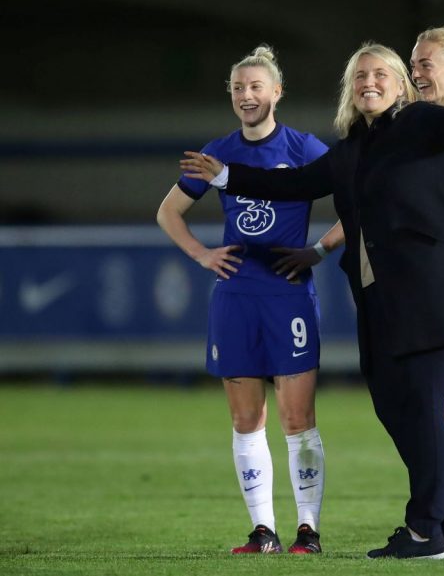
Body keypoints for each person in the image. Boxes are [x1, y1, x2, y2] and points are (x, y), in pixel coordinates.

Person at [181, 40, 444, 560]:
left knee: (425, 413)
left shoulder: (419, 124)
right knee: (399, 410)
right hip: (384, 304)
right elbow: (297, 183)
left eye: (380, 75)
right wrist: (227, 176)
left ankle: (425, 532)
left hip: (430, 299)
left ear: (402, 85)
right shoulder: (350, 149)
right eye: (359, 76)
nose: (368, 82)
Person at [272, 26, 444, 554]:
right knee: (433, 414)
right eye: (414, 63)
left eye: (424, 64)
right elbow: (365, 205)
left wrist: (421, 217)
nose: (416, 72)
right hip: (408, 278)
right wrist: (328, 247)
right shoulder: (400, 131)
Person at [156, 45, 328, 555]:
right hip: (237, 297)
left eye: (256, 87)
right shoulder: (218, 152)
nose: (246, 96)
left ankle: (308, 530)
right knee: (245, 420)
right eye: (238, 88)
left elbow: (359, 197)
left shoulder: (305, 149)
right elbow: (168, 213)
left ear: (278, 93)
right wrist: (202, 256)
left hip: (289, 296)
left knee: (297, 420)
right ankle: (263, 531)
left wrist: (319, 249)